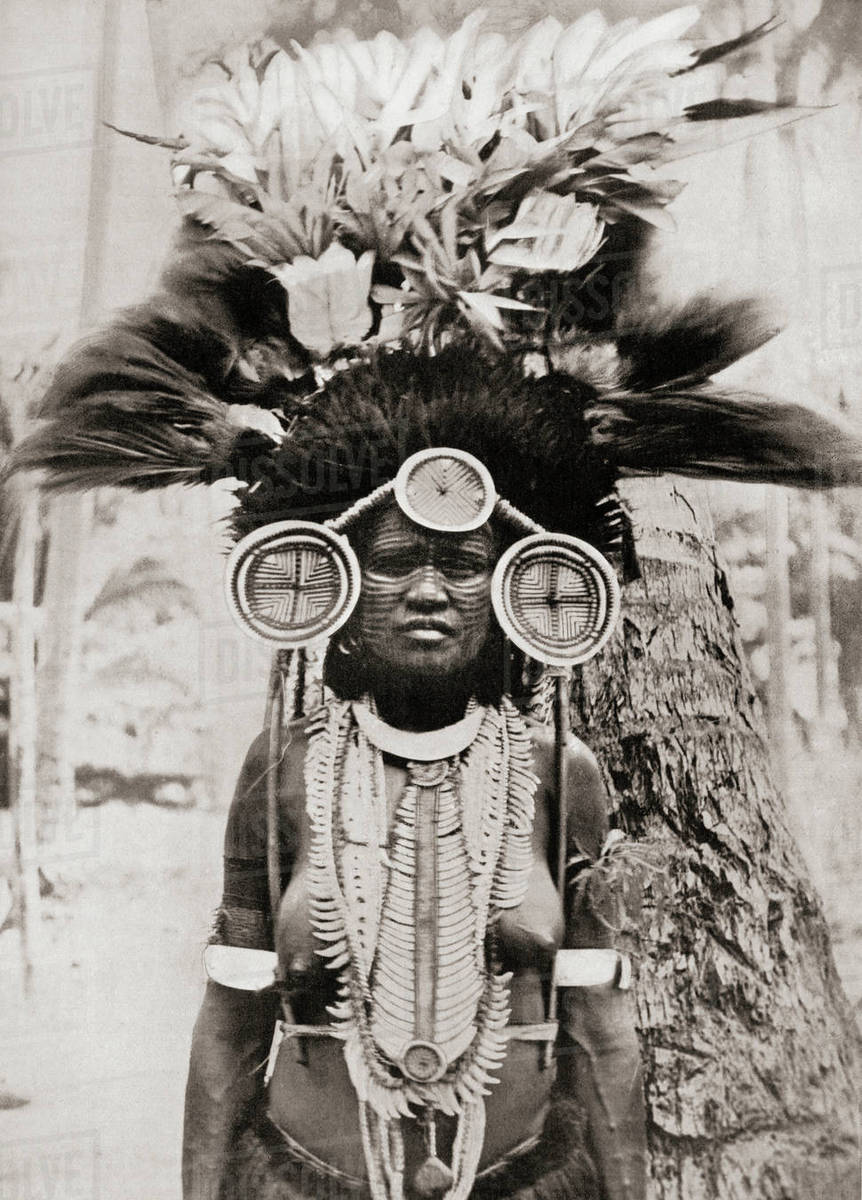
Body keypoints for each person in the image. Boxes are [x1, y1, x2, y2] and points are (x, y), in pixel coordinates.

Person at [11, 9, 862, 1199]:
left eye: (463, 563)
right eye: (394, 559)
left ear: (525, 586)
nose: (426, 590)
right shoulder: (287, 772)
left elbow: (602, 1033)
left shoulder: (561, 775)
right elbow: (229, 1018)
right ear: (327, 583)